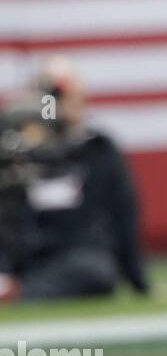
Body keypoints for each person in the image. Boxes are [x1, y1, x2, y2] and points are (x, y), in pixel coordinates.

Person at [0, 58, 148, 303]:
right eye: (55, 92)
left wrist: (139, 281)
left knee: (94, 270)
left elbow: (124, 215)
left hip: (76, 256)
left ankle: (18, 294)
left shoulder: (97, 149)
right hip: (24, 255)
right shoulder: (14, 149)